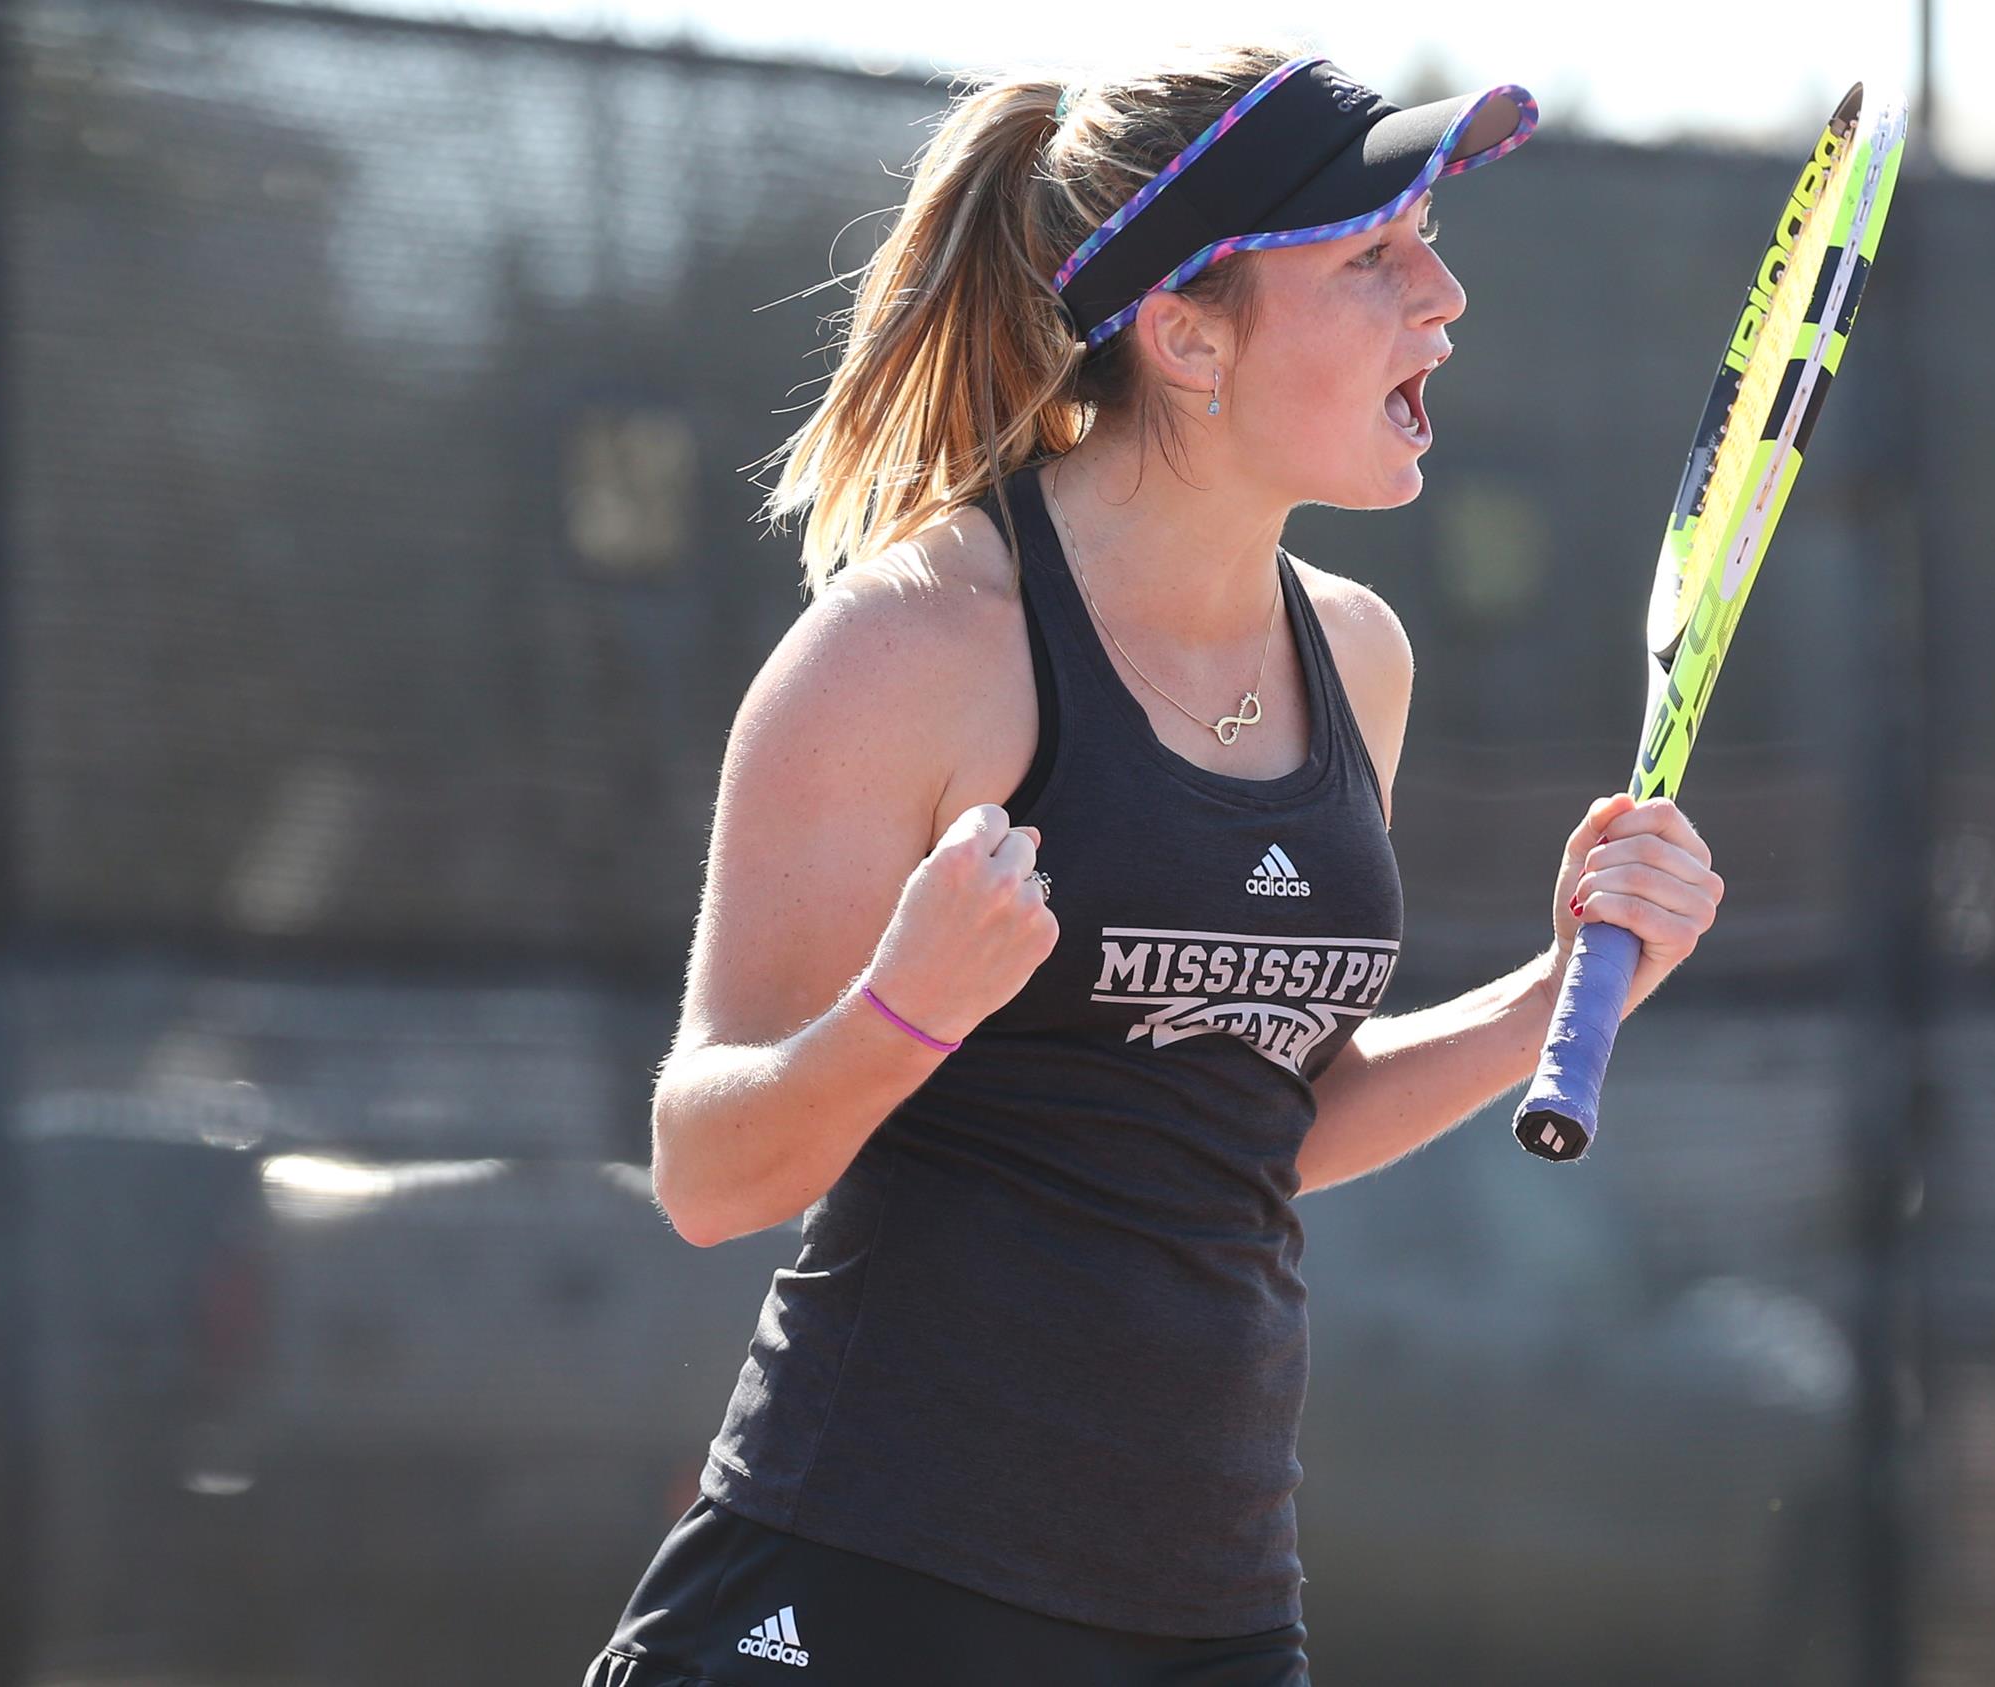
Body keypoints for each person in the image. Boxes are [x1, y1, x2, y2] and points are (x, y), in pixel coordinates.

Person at [584, 41, 1723, 1686]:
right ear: (1188, 333)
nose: (1446, 294)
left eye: (1428, 243)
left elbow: (1243, 1126)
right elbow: (707, 1175)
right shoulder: (914, 651)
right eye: (1371, 258)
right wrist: (906, 1012)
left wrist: (1552, 992)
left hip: (1207, 1618)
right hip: (864, 1588)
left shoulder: (1358, 656)